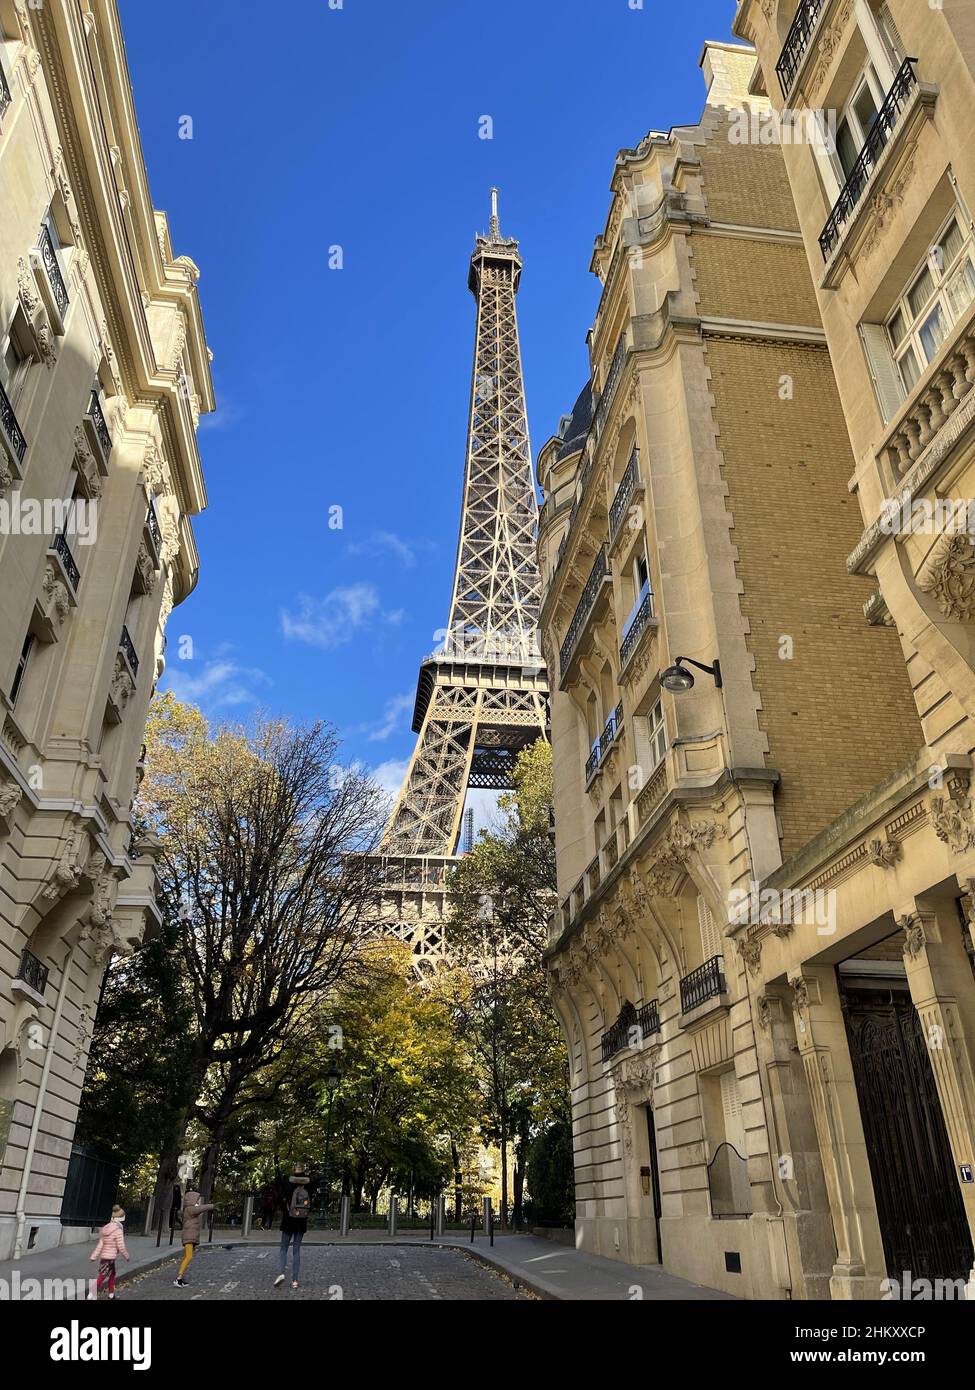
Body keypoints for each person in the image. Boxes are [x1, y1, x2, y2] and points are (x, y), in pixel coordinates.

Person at [172, 1183, 214, 1288]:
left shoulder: (187, 1209)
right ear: (191, 1200)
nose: (198, 1201)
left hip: (190, 1236)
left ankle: (180, 1278)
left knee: (187, 1256)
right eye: (197, 1199)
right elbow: (200, 1209)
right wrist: (213, 1206)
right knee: (188, 1257)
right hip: (189, 1237)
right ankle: (178, 1278)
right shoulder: (190, 1209)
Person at [274, 1169, 311, 1290]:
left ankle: (281, 1273)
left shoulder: (288, 1188)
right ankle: (295, 1280)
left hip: (288, 1222)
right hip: (301, 1223)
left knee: (283, 1248)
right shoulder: (307, 1189)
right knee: (296, 1251)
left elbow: (279, 1199)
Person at [88, 1205, 129, 1299]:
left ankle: (111, 1294)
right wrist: (126, 1256)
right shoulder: (118, 1230)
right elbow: (121, 1245)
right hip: (110, 1258)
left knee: (112, 1274)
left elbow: (100, 1244)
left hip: (104, 1257)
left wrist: (94, 1256)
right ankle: (92, 1293)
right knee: (103, 1275)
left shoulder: (106, 1228)